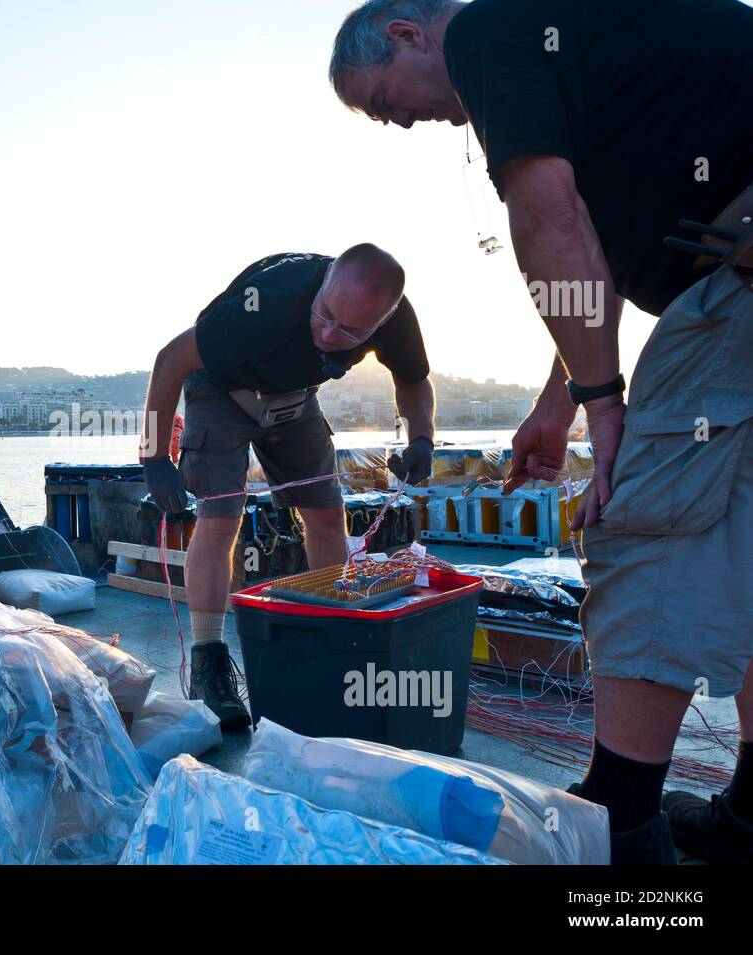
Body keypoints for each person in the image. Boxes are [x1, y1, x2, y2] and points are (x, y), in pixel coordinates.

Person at [330, 0, 753, 863]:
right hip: (730, 268)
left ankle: (622, 827)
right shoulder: (566, 34)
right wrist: (563, 398)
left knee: (644, 526)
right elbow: (588, 248)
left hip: (736, 276)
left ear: (411, 33)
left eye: (386, 101)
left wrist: (606, 404)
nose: (401, 123)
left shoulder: (489, 30)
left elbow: (548, 221)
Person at [140, 246, 436, 728]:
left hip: (293, 399)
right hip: (221, 390)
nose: (327, 333)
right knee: (221, 518)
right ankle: (209, 662)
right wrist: (154, 458)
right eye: (324, 316)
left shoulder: (397, 319)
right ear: (322, 287)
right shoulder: (266, 304)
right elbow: (170, 358)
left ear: (380, 323)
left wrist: (421, 438)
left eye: (349, 332)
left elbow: (413, 378)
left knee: (325, 513)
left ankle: (341, 637)